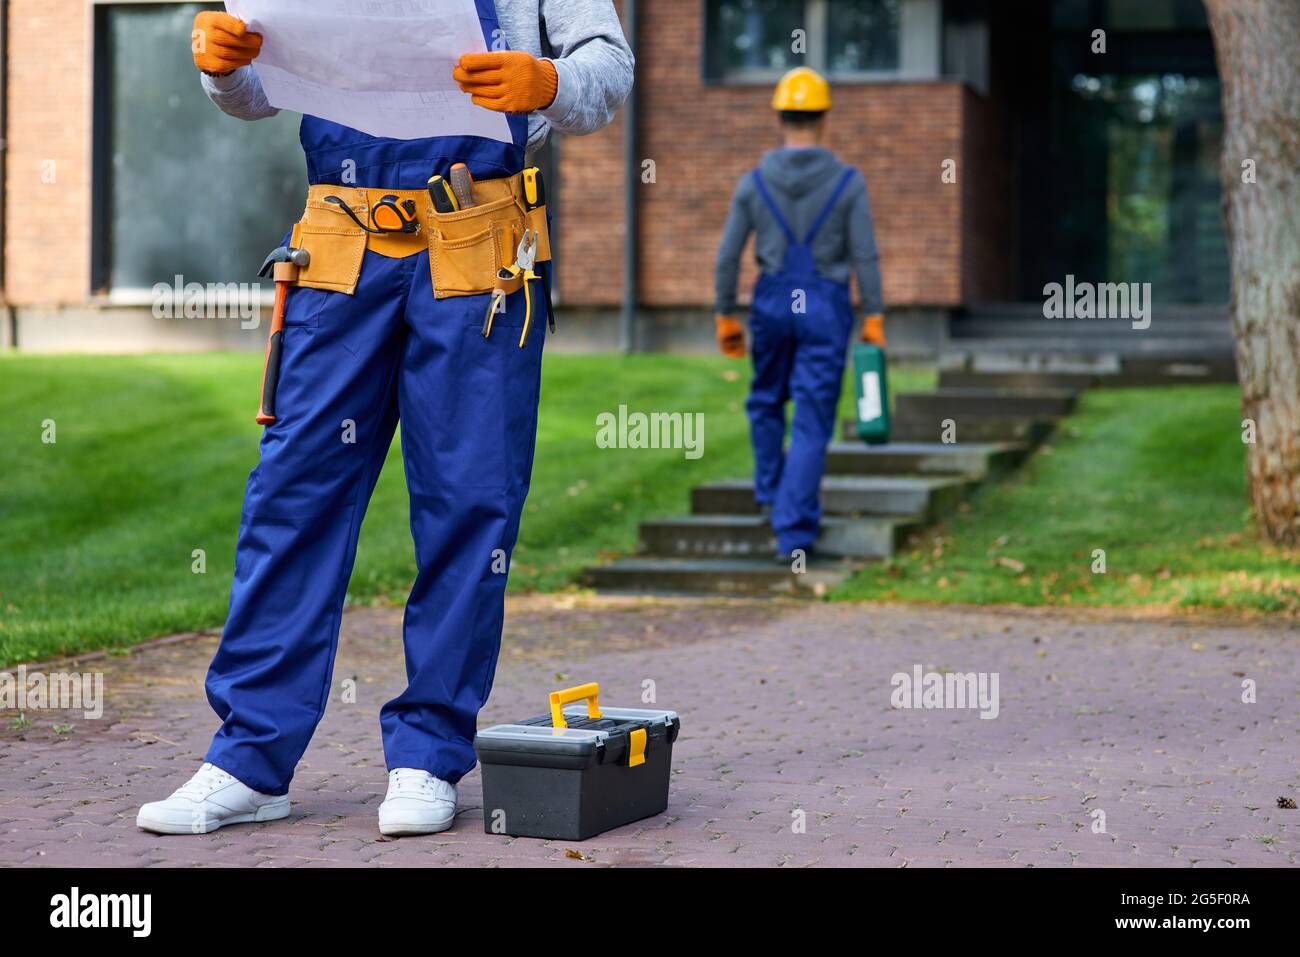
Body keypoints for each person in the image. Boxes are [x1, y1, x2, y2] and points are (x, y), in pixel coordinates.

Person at [136, 2, 632, 838]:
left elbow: (605, 68)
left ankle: (428, 754)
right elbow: (259, 91)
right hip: (338, 245)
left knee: (469, 505)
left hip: (479, 250)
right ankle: (248, 759)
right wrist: (223, 67)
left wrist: (547, 81)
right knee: (294, 495)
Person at [713, 66, 884, 562]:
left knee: (766, 400)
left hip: (771, 302)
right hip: (825, 305)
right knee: (811, 417)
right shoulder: (848, 183)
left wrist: (726, 313)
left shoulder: (753, 182)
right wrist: (873, 314)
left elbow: (728, 255)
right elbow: (866, 254)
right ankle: (792, 532)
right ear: (824, 118)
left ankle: (772, 495)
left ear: (779, 116)